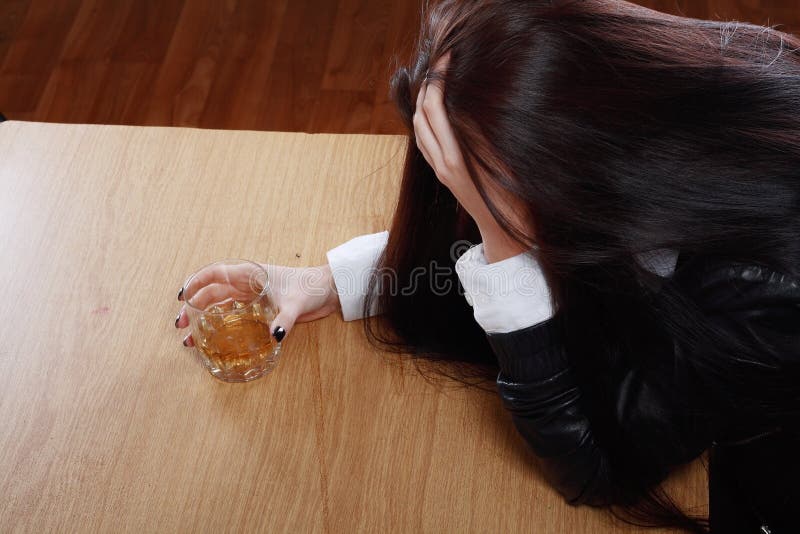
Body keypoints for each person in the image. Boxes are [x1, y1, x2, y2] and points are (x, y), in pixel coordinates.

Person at [175, 1, 800, 532]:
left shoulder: (765, 286)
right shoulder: (639, 132)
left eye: (473, 192)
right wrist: (329, 283)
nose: (468, 212)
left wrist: (500, 233)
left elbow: (596, 468)